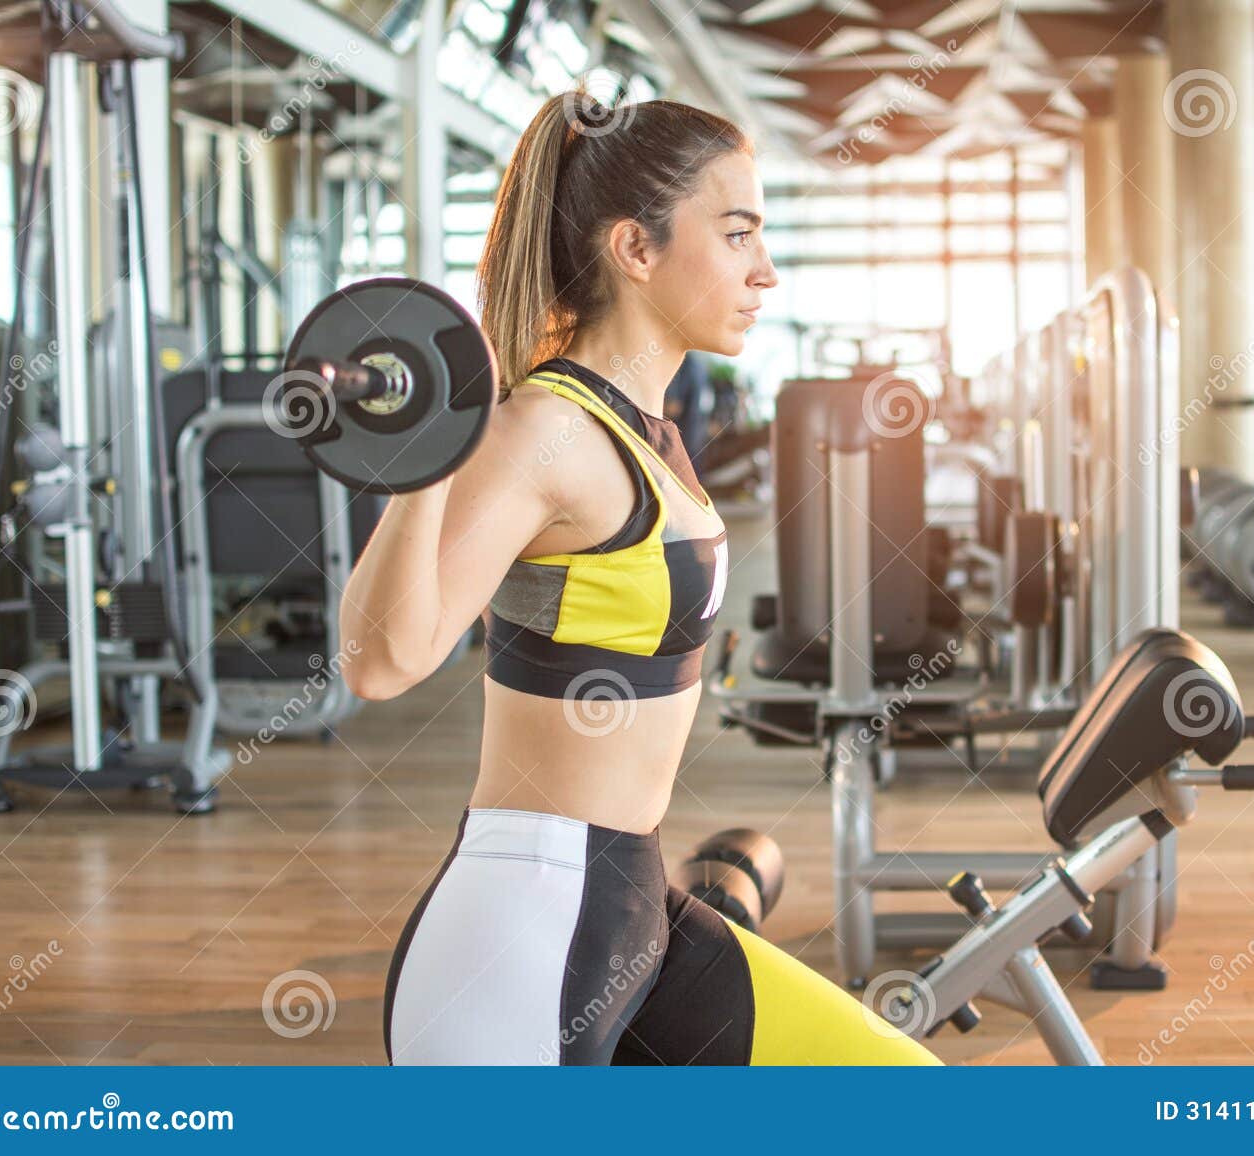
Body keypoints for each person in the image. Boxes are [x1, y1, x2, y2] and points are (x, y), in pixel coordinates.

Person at [339, 91, 940, 1066]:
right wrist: (423, 459)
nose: (765, 270)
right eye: (738, 234)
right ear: (636, 249)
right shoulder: (545, 430)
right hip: (522, 936)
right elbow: (378, 663)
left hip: (630, 904)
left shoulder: (646, 429)